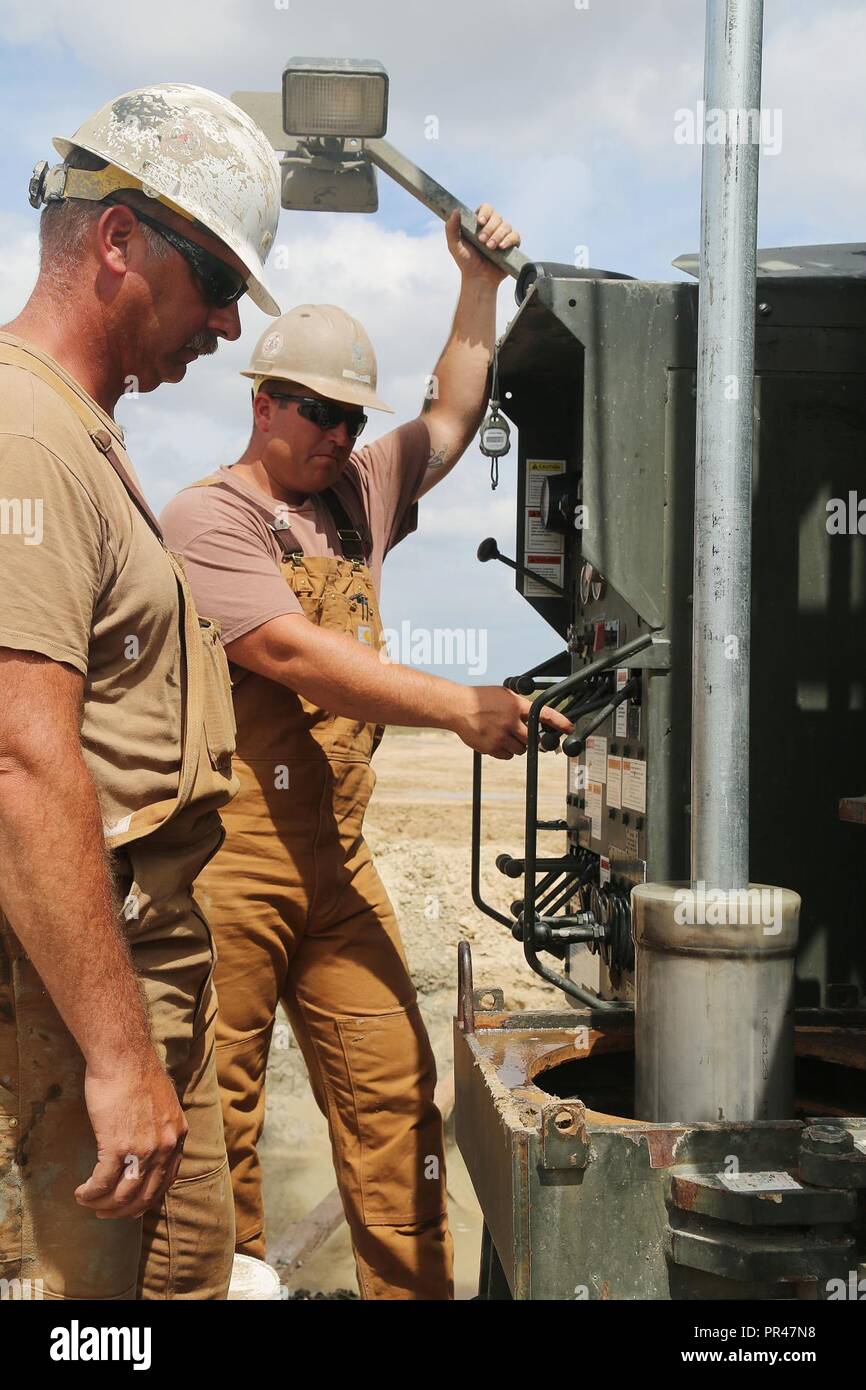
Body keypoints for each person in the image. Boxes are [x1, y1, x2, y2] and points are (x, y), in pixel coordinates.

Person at [160, 207, 572, 1299]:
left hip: (335, 863)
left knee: (397, 1095)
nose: (341, 435)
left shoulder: (356, 494)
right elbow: (297, 656)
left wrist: (473, 279)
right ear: (263, 402)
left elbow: (451, 408)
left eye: (352, 417)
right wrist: (458, 706)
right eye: (319, 414)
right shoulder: (208, 520)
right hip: (231, 865)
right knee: (221, 1120)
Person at [0, 83, 281, 1299]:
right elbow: (19, 757)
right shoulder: (25, 438)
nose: (226, 325)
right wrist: (118, 1059)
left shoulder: (83, 440)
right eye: (217, 279)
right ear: (119, 242)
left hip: (136, 993)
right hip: (70, 1027)